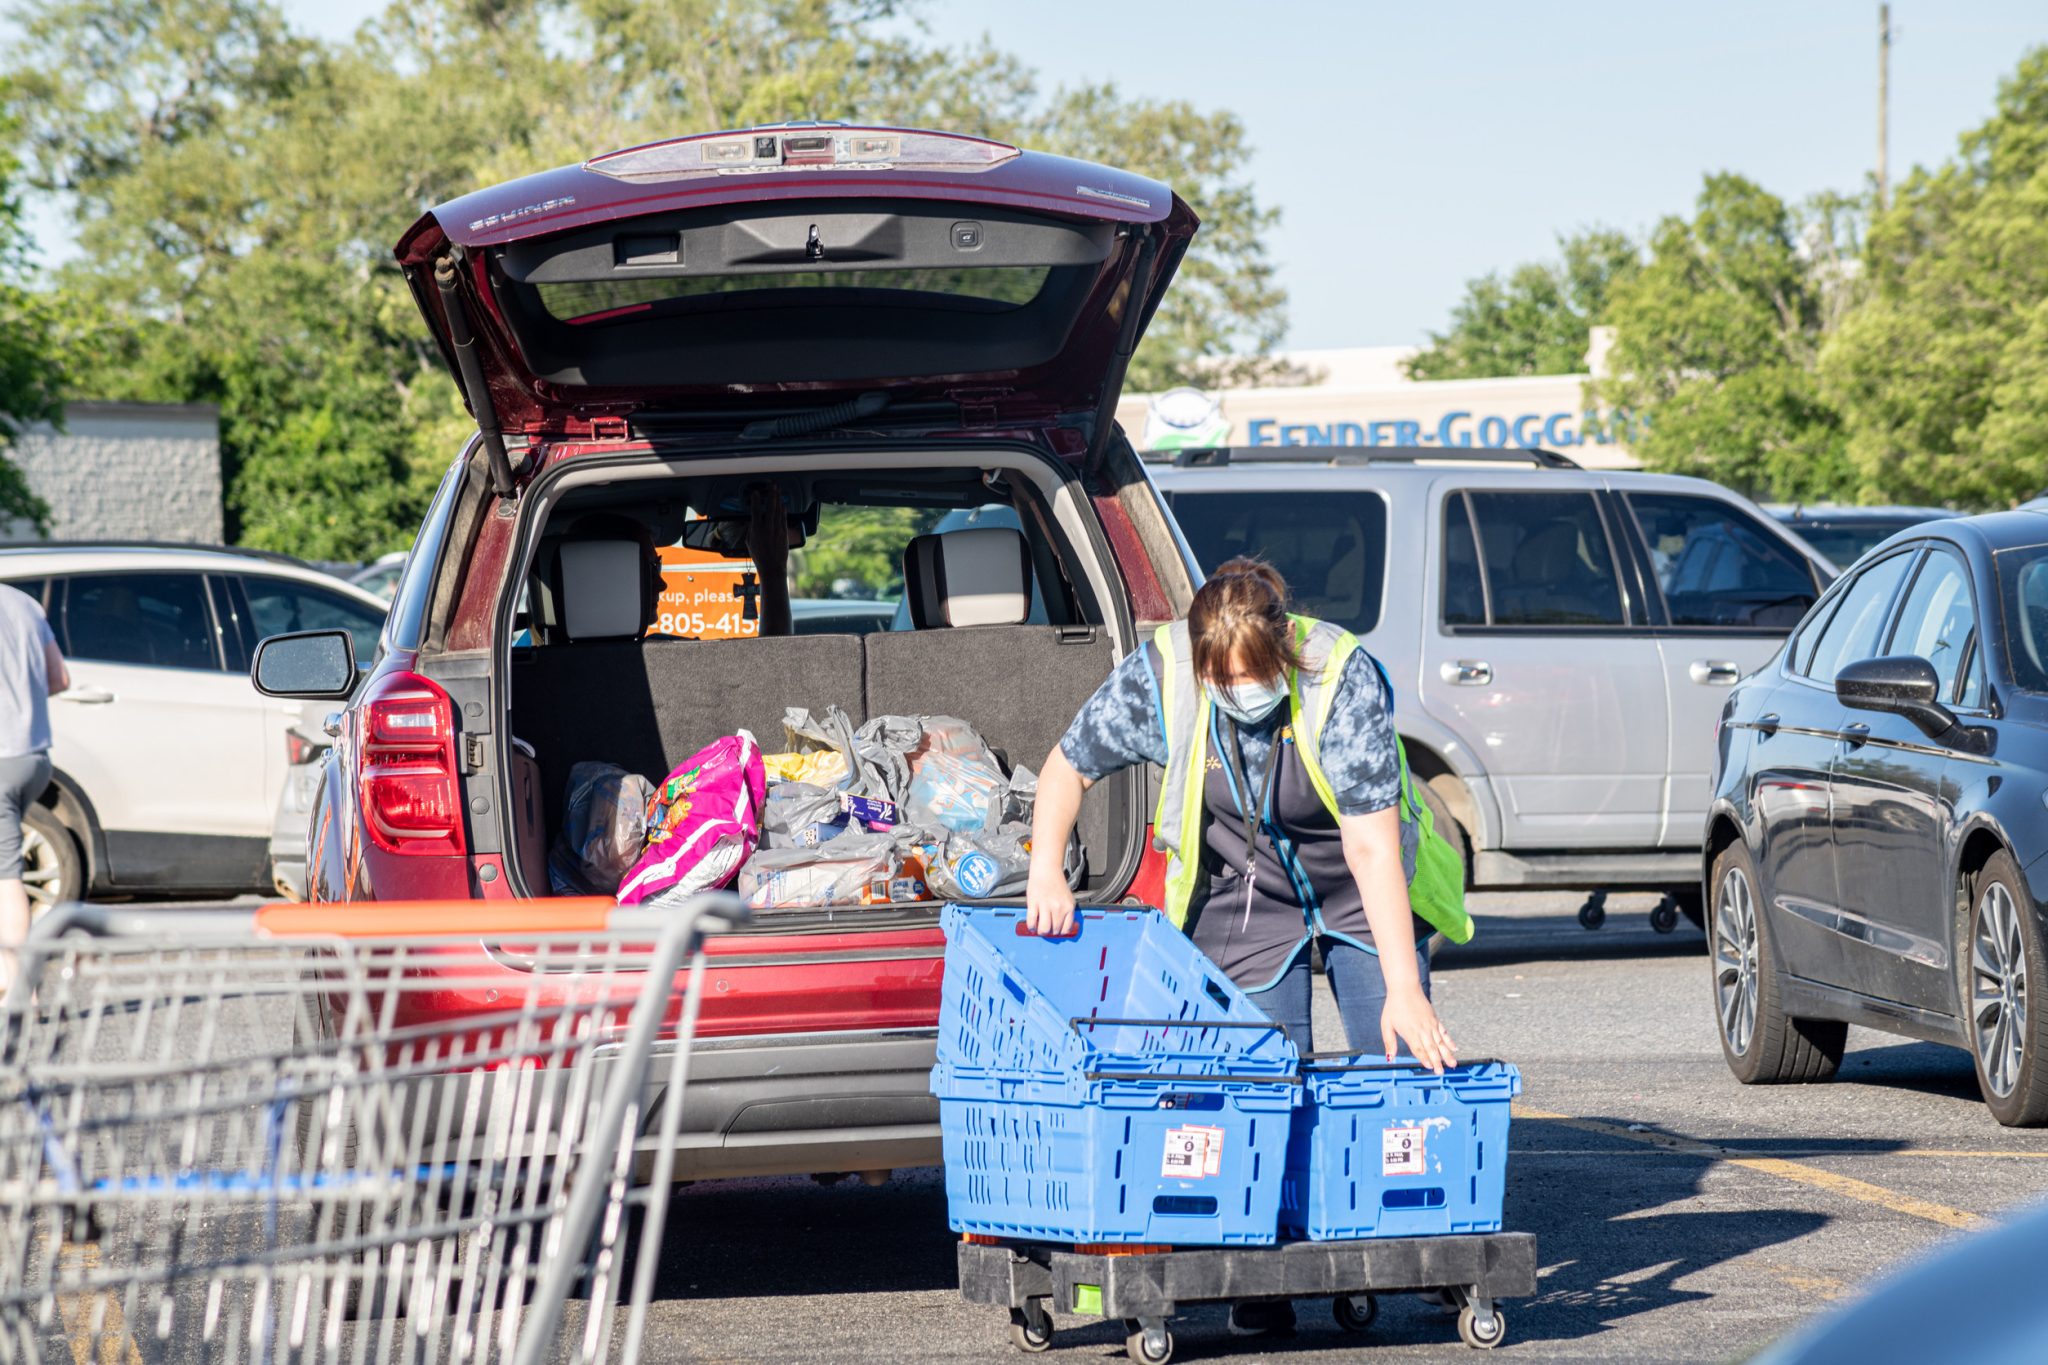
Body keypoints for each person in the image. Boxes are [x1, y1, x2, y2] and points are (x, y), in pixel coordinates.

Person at [0, 583, 67, 992]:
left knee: (6, 877)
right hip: (33, 755)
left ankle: (18, 986)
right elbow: (59, 677)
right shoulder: (23, 602)